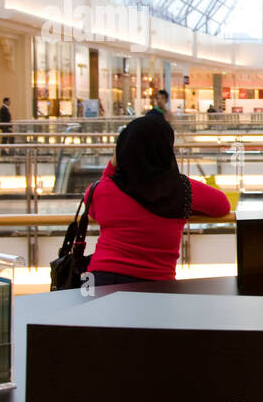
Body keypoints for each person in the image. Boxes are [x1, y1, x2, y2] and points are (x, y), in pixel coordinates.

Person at [85, 114, 230, 285]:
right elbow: (222, 206)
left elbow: (90, 203)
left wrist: (112, 166)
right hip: (157, 284)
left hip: (101, 279)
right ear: (166, 149)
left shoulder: (103, 190)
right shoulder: (182, 190)